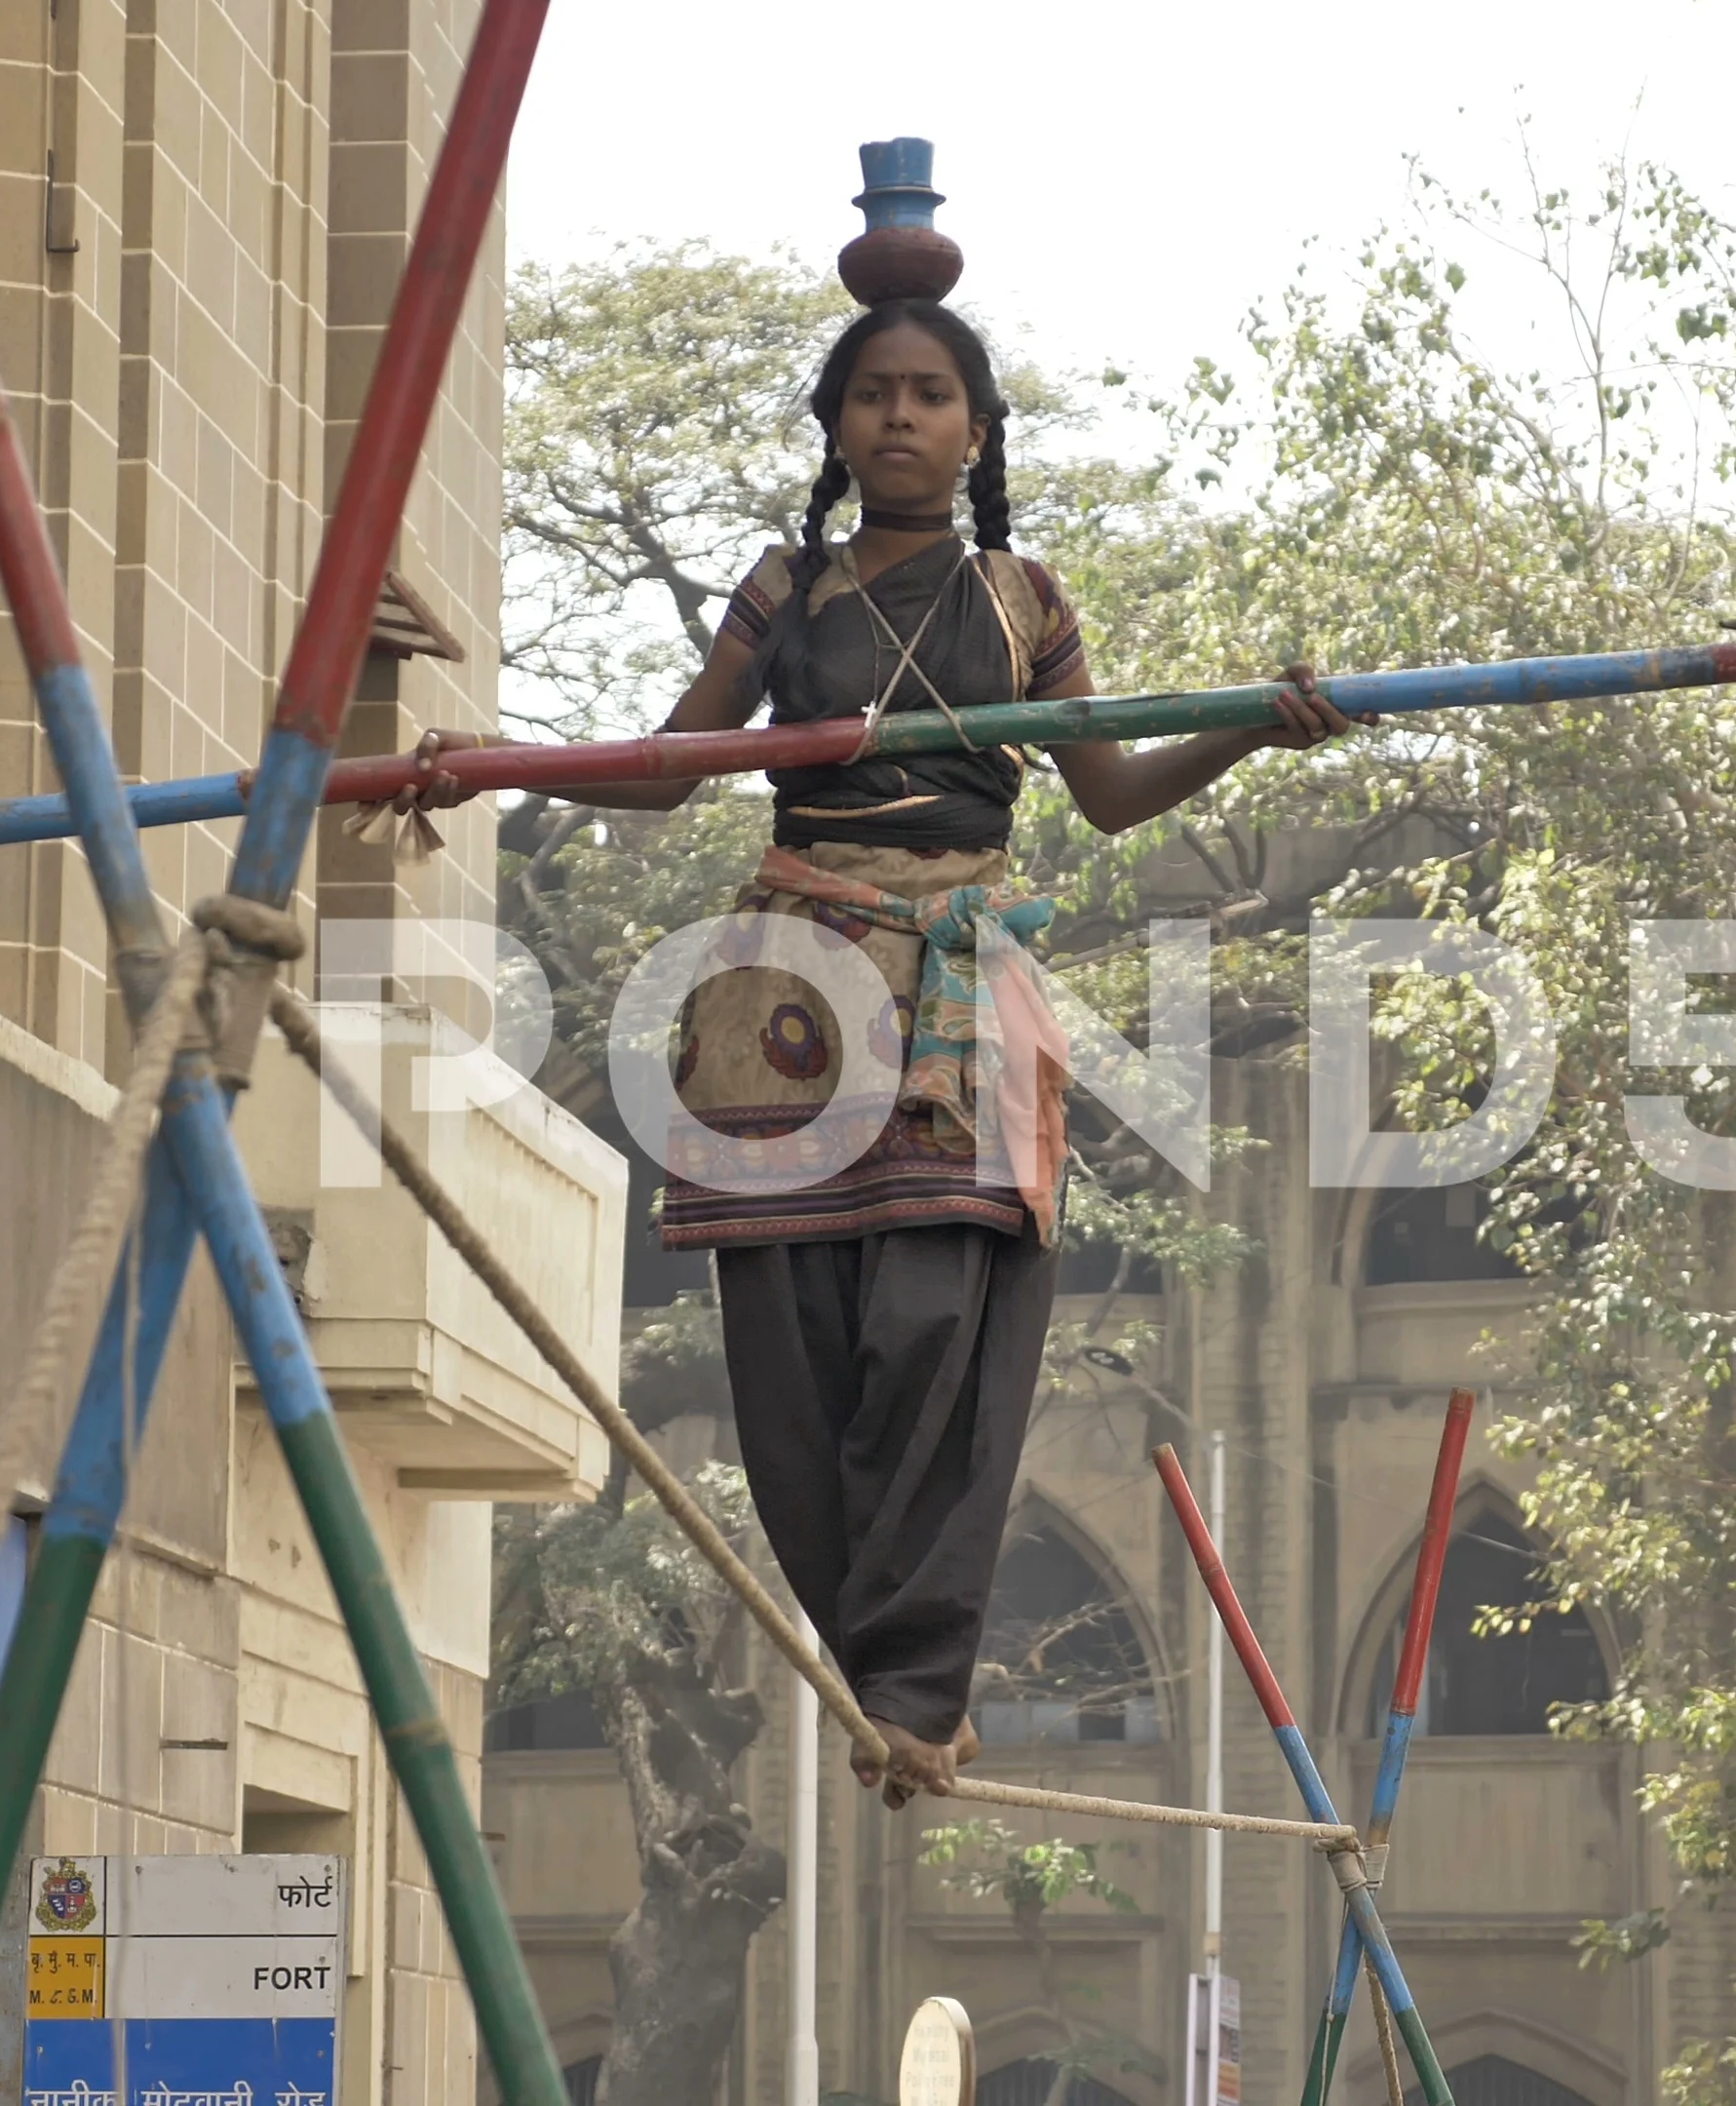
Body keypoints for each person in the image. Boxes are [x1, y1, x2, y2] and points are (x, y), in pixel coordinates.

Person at [563, 294, 1359, 1803]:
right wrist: (457, 753)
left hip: (954, 990)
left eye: (932, 395)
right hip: (787, 987)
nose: (901, 417)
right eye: (874, 394)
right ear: (839, 428)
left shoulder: (1024, 600)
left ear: (976, 433)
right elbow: (668, 770)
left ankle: (920, 1684)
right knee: (792, 1354)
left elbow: (1109, 794)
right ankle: (880, 1678)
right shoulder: (780, 590)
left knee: (941, 1320)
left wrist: (1256, 727)